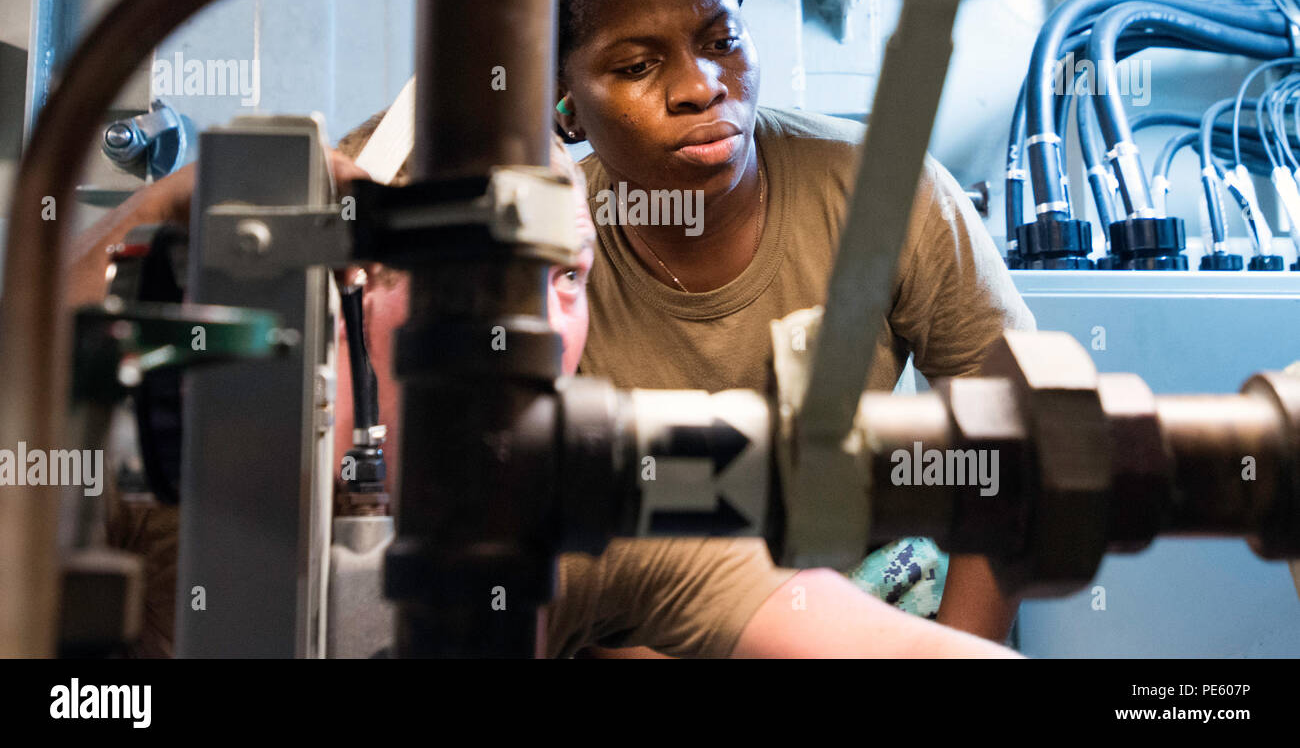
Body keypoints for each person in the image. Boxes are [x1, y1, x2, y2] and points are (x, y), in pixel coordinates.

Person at [72, 116, 1014, 658]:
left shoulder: (588, 505)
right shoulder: (173, 477)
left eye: (569, 279)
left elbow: (892, 651)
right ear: (349, 284)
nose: (546, 326)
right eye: (484, 277)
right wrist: (154, 211)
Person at [551, 0, 1036, 639]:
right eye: (637, 65)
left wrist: (955, 650)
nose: (700, 86)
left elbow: (1022, 446)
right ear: (565, 109)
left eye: (722, 42)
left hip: (875, 604)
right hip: (651, 623)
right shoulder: (556, 258)